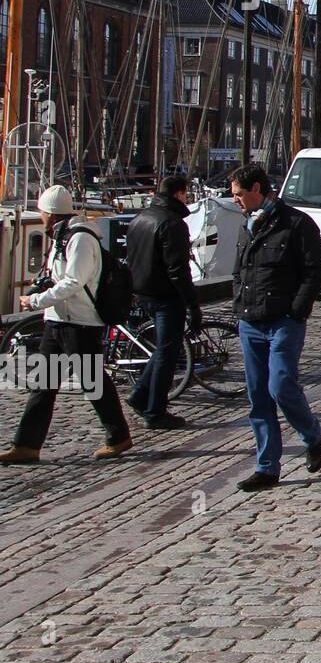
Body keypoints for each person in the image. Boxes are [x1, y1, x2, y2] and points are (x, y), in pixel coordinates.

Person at [0, 186, 132, 465]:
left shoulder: (80, 238)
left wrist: (36, 300)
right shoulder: (62, 236)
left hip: (80, 323)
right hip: (59, 319)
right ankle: (26, 445)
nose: (41, 217)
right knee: (44, 384)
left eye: (42, 212)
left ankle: (118, 436)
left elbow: (74, 281)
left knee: (93, 382)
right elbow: (61, 278)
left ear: (50, 214)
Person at [229, 163, 321, 491]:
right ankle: (267, 467)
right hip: (250, 321)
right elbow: (240, 270)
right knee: (258, 396)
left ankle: (311, 435)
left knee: (281, 385)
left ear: (257, 189)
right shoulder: (247, 225)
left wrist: (297, 310)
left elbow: (315, 271)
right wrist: (238, 302)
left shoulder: (297, 223)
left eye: (239, 194)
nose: (235, 199)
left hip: (284, 321)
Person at [125, 173, 202, 431]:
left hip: (143, 292)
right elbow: (178, 270)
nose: (187, 199)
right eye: (186, 194)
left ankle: (140, 395)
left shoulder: (140, 218)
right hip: (166, 295)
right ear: (178, 194)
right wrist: (192, 303)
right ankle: (155, 411)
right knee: (168, 353)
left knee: (162, 350)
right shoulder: (172, 223)